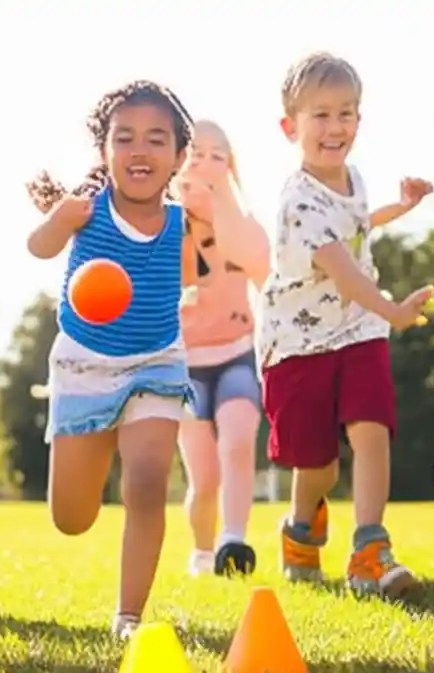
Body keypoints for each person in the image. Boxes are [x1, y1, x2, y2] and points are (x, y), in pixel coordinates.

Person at [260, 52, 434, 600]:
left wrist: (399, 208)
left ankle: (369, 550)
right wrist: (394, 311)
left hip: (358, 329)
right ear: (291, 127)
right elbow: (343, 269)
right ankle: (300, 527)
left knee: (372, 427)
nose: (335, 127)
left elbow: (355, 226)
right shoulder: (297, 201)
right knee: (319, 466)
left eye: (346, 113)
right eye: (321, 115)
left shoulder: (353, 178)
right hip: (299, 342)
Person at [25, 80, 195, 639]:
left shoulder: (183, 221)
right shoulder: (87, 211)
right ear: (104, 150)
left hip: (156, 363)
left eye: (156, 139)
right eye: (125, 138)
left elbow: (210, 270)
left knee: (147, 484)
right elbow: (38, 248)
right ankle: (99, 442)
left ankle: (129, 618)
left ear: (178, 156)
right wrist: (61, 218)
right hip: (84, 365)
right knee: (71, 518)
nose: (139, 150)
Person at [173, 120, 271, 577]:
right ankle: (201, 551)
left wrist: (224, 200)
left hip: (236, 354)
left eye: (219, 155)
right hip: (185, 366)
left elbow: (263, 271)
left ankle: (233, 540)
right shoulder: (165, 221)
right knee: (205, 477)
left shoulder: (240, 220)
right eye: (197, 153)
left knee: (238, 439)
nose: (207, 162)